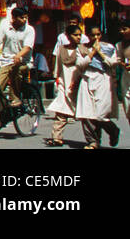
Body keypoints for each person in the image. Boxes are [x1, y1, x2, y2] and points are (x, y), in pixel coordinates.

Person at [75, 24, 121, 149]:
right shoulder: (82, 48)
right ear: (88, 36)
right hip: (87, 79)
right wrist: (92, 53)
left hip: (103, 79)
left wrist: (100, 52)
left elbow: (112, 62)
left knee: (101, 114)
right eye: (92, 35)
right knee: (87, 113)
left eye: (98, 34)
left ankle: (113, 130)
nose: (95, 37)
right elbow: (79, 65)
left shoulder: (109, 47)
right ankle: (93, 141)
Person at [0, 7, 35, 108]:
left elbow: (28, 47)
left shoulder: (29, 30)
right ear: (14, 18)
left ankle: (16, 97)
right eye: (22, 18)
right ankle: (0, 110)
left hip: (23, 61)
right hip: (6, 60)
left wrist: (18, 56)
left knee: (16, 71)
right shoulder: (4, 25)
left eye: (26, 17)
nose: (24, 20)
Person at [45, 17, 83, 147]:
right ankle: (57, 137)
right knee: (61, 112)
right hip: (64, 83)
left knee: (86, 115)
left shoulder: (83, 50)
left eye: (79, 35)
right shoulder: (61, 49)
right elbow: (58, 66)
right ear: (67, 35)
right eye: (75, 35)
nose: (78, 38)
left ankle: (94, 139)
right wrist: (57, 78)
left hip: (79, 85)